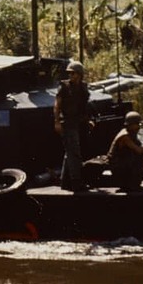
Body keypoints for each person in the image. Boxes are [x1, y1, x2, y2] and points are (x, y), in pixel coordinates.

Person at [54, 60, 93, 191]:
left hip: (78, 123)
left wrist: (88, 120)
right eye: (69, 73)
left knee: (70, 152)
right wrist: (57, 122)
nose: (71, 75)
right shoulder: (64, 87)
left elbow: (84, 106)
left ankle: (65, 182)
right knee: (74, 152)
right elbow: (57, 106)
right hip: (67, 123)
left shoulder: (83, 87)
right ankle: (76, 182)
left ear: (80, 74)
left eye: (73, 73)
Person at [108, 111, 143, 192]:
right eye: (137, 124)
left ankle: (132, 183)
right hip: (118, 167)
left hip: (124, 164)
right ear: (130, 124)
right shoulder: (125, 136)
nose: (139, 127)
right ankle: (132, 185)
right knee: (141, 157)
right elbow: (138, 150)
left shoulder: (131, 132)